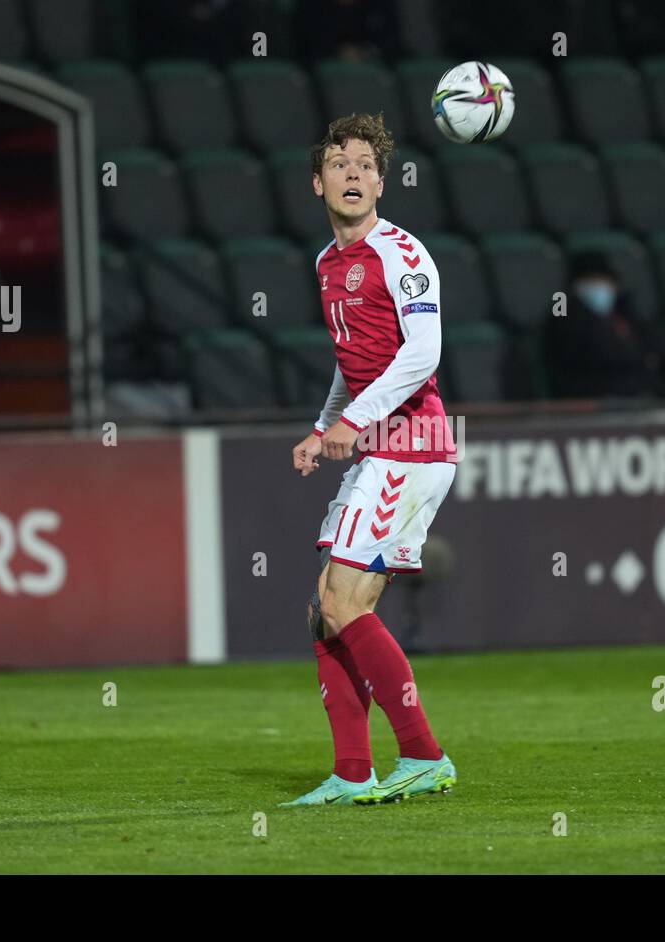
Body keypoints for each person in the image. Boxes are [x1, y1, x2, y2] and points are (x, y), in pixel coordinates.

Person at [284, 113, 457, 807]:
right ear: (317, 181)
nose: (352, 174)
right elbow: (351, 360)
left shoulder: (403, 255)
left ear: (382, 183)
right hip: (380, 444)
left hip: (414, 443)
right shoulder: (327, 264)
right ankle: (353, 771)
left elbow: (422, 354)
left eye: (364, 164)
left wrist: (355, 421)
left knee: (339, 601)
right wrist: (322, 424)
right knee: (323, 611)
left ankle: (422, 755)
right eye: (339, 163)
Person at [545, 252, 665, 399]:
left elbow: (655, 347)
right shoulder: (564, 317)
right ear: (575, 284)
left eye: (605, 281)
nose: (601, 286)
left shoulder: (624, 313)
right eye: (593, 280)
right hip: (594, 396)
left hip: (639, 392)